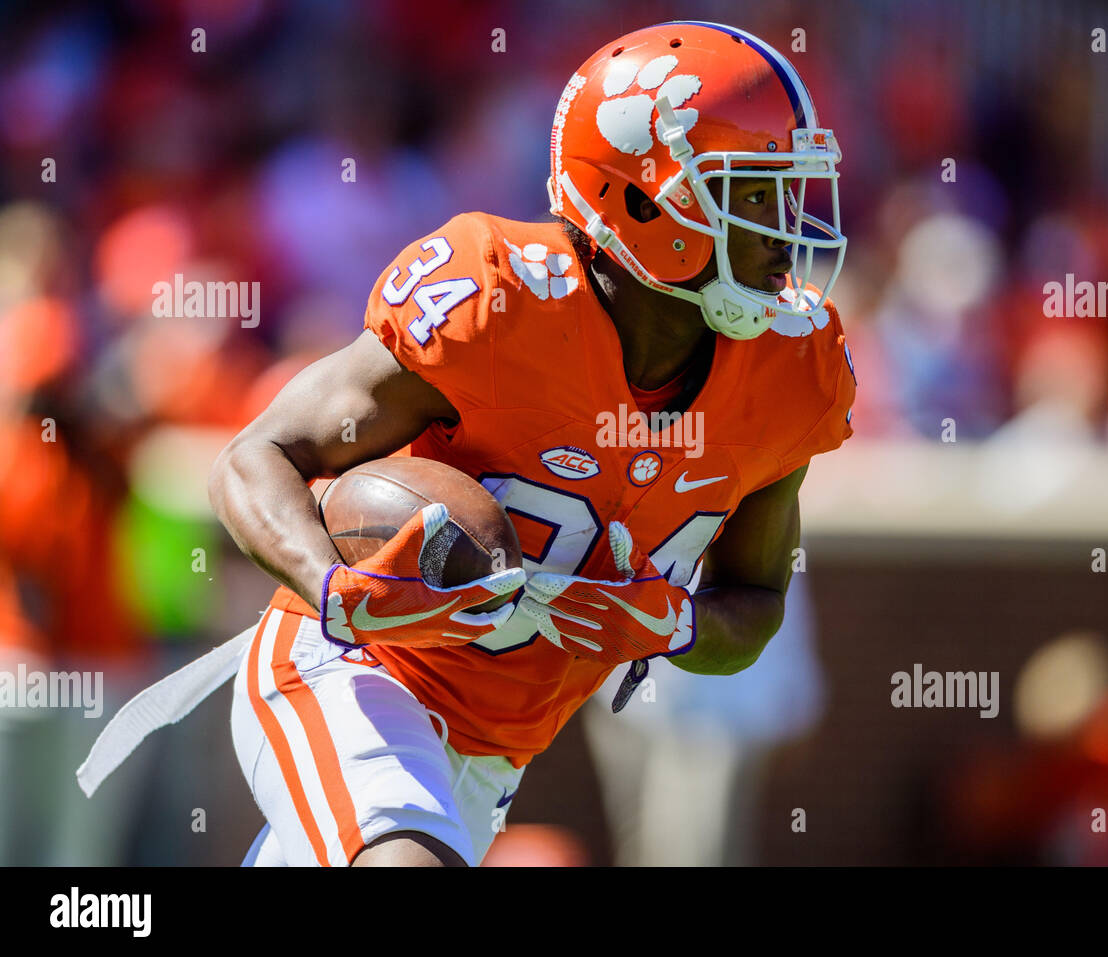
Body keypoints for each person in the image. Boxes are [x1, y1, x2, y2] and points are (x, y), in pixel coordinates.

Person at [91, 20, 855, 867]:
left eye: (787, 192)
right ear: (639, 198)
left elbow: (752, 605)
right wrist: (335, 587)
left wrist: (659, 619)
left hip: (492, 754)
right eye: (748, 194)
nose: (783, 230)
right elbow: (255, 457)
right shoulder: (497, 300)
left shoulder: (791, 370)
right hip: (352, 672)